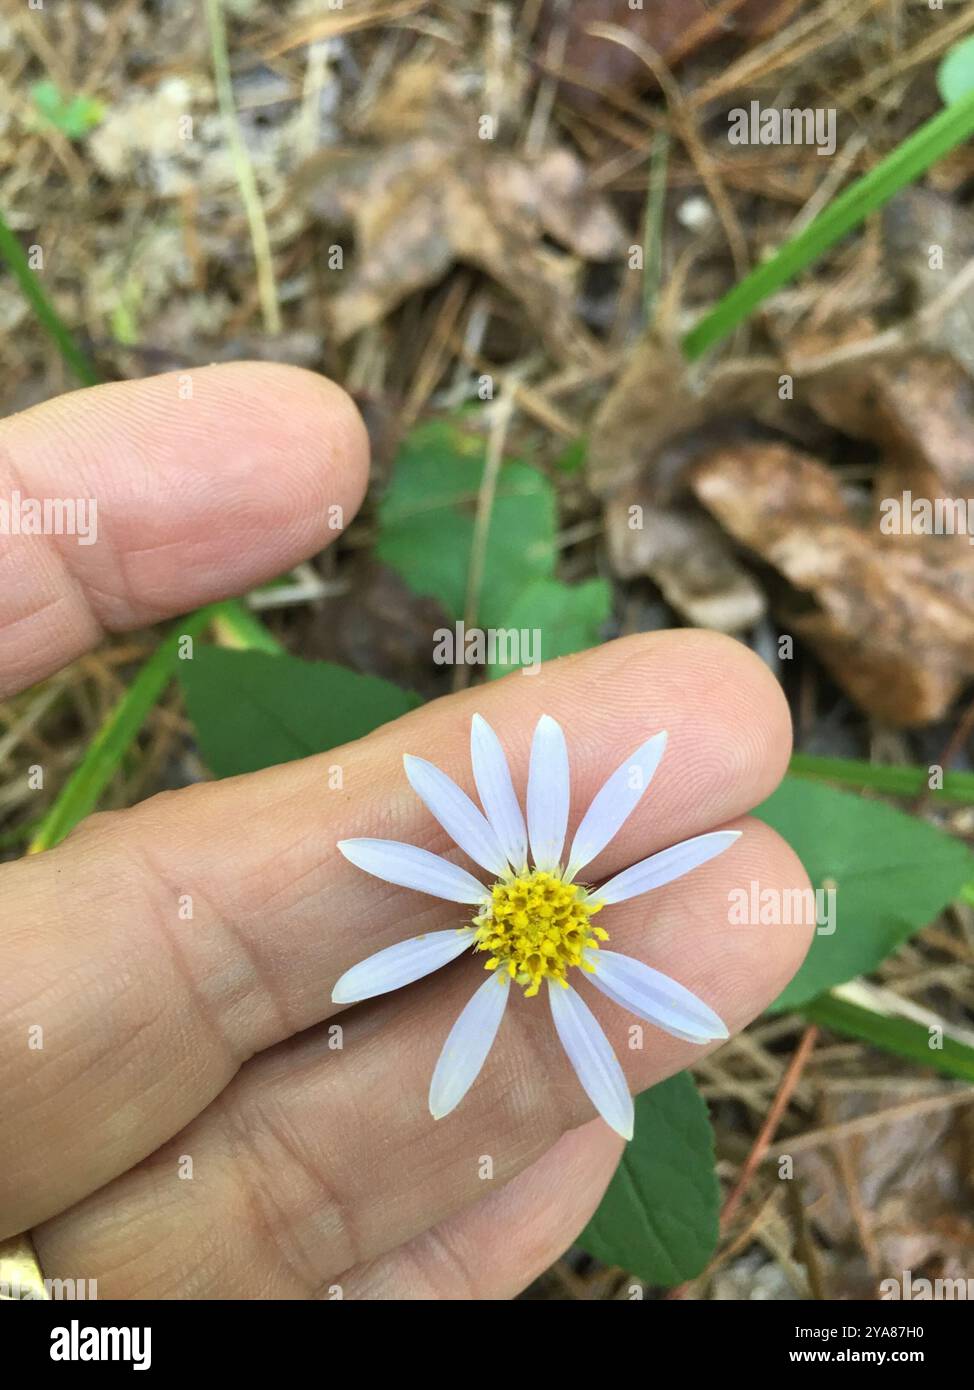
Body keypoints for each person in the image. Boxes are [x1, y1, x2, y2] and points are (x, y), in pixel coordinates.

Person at [0, 363, 811, 1299]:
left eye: (545, 926)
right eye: (541, 920)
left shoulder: (546, 935)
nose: (544, 926)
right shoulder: (501, 919)